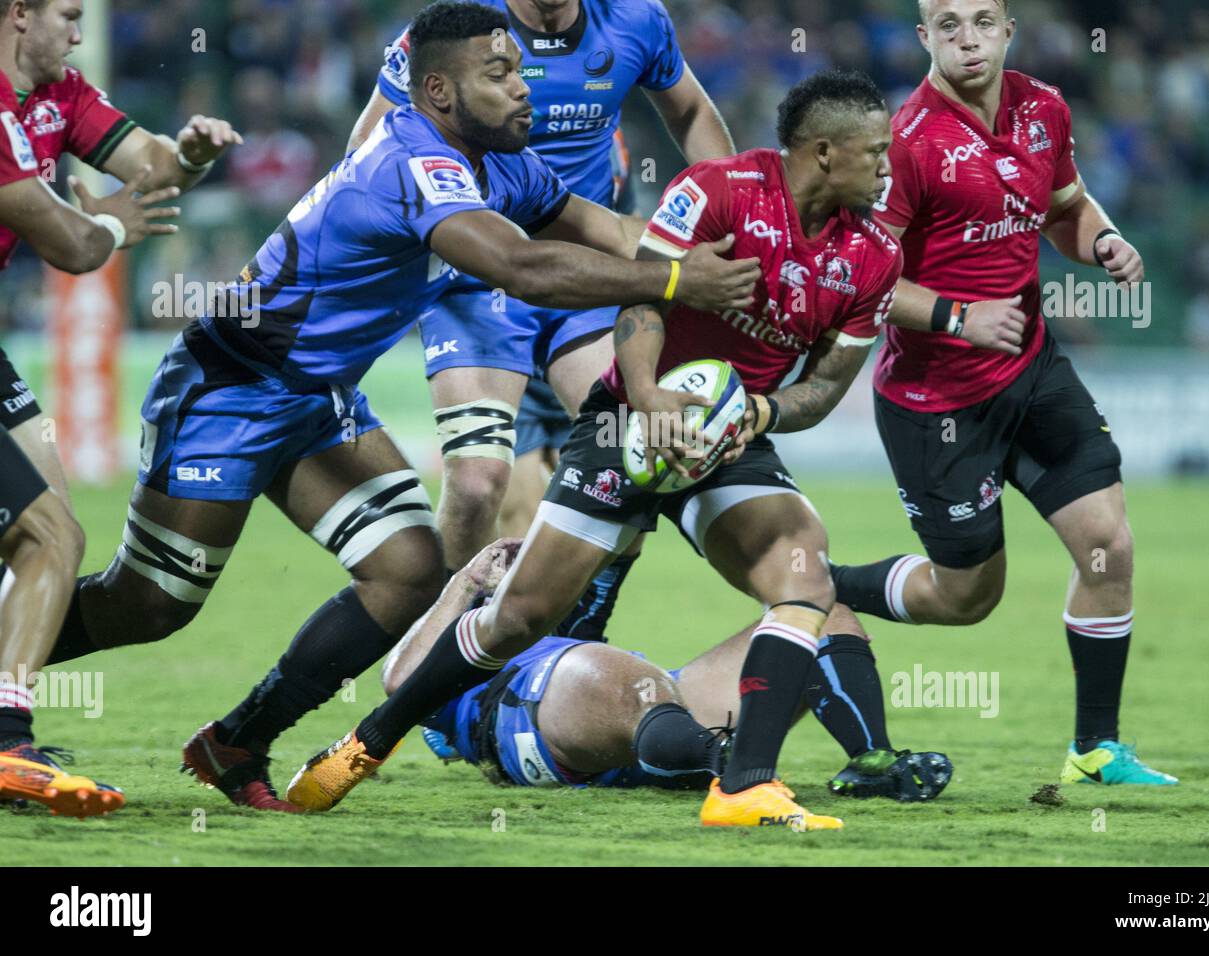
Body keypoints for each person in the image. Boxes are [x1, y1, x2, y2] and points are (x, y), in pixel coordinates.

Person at [41, 1, 757, 812]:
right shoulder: (415, 162)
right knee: (150, 606)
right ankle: (8, 682)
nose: (528, 90)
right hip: (230, 387)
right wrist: (672, 282)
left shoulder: (505, 162)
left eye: (520, 67)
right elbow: (521, 270)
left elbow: (610, 228)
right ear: (441, 93)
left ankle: (237, 739)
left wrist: (720, 249)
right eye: (501, 74)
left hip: (314, 396)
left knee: (410, 572)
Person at [289, 68, 904, 831]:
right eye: (876, 153)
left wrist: (762, 410)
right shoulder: (715, 191)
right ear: (821, 153)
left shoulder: (876, 256)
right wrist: (648, 400)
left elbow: (828, 385)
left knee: (804, 572)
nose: (889, 167)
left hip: (726, 437)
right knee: (517, 618)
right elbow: (644, 297)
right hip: (628, 420)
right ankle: (367, 743)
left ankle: (744, 784)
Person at [829, 0, 1176, 785]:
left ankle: (1095, 749)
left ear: (1009, 27)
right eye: (948, 25)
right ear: (923, 37)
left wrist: (1106, 240)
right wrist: (957, 316)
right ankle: (815, 586)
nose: (968, 39)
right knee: (966, 598)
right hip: (935, 401)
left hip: (1031, 370)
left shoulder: (1043, 109)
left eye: (983, 21)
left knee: (1107, 542)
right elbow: (861, 279)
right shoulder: (904, 144)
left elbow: (1065, 209)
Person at [351, 0, 736, 639]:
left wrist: (725, 212)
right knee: (479, 485)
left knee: (629, 446)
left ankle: (576, 638)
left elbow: (690, 109)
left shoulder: (637, 21)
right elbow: (367, 147)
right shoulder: (458, 33)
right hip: (478, 282)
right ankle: (431, 658)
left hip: (584, 275)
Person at [0, 0, 239, 815]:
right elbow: (71, 245)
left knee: (49, 538)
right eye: (66, 14)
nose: (77, 31)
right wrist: (105, 221)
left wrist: (193, 159)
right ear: (18, 13)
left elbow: (152, 166)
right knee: (51, 536)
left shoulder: (60, 98)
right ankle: (4, 742)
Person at [383, 540, 952, 803]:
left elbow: (610, 559)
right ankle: (729, 766)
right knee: (629, 679)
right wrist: (463, 584)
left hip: (638, 709)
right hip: (524, 720)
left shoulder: (547, 622)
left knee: (821, 615)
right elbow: (398, 682)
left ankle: (874, 763)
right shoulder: (462, 655)